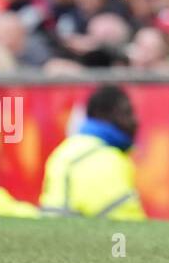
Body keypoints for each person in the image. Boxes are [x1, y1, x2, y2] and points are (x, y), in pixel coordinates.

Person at [39, 85, 145, 221]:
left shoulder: (65, 149)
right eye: (127, 112)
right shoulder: (106, 158)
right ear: (104, 114)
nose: (135, 121)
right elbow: (127, 223)